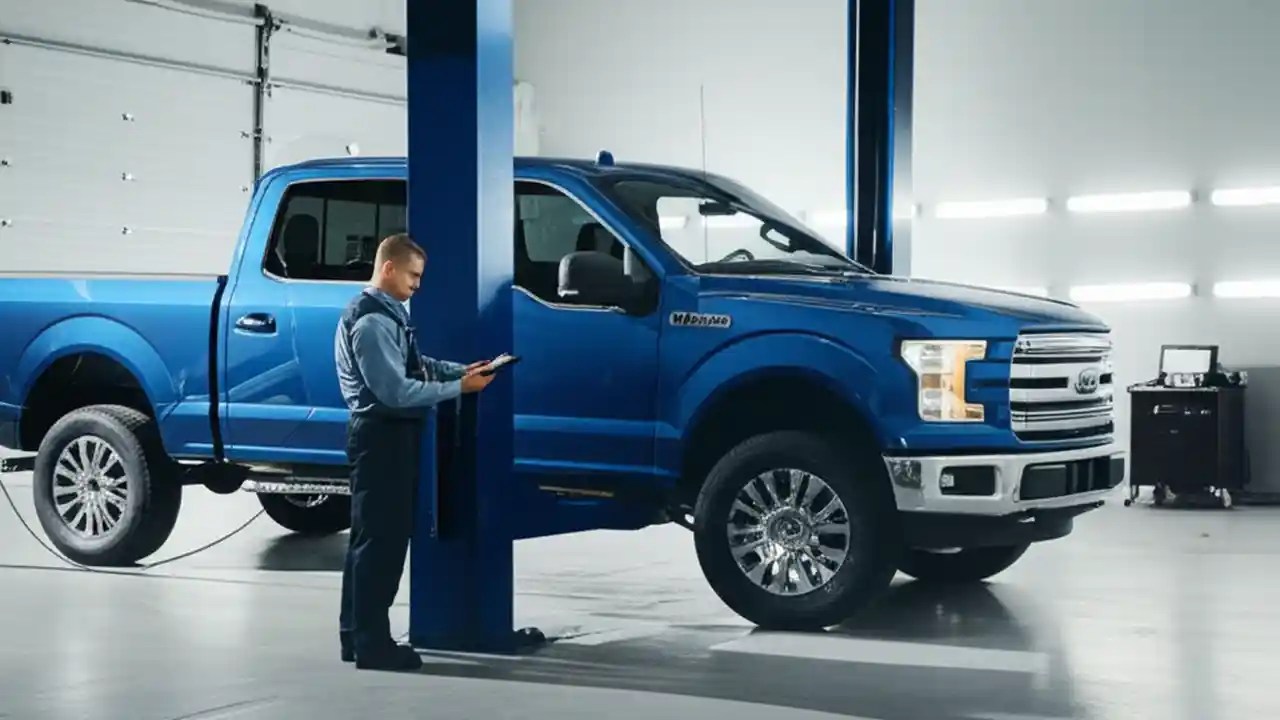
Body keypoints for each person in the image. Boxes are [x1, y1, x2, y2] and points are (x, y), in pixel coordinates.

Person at [333, 232, 495, 671]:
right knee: (381, 545)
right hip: (382, 438)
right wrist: (459, 389)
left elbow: (415, 366)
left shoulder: (386, 315)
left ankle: (356, 637)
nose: (417, 285)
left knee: (370, 541)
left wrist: (462, 371)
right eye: (412, 275)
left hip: (385, 436)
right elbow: (397, 391)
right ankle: (373, 645)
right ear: (388, 268)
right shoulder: (371, 323)